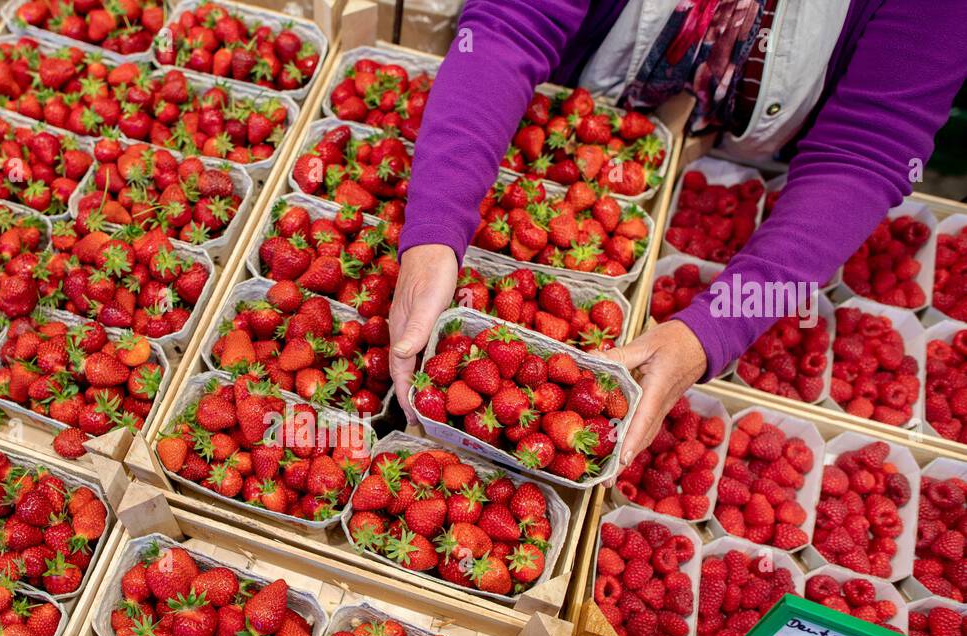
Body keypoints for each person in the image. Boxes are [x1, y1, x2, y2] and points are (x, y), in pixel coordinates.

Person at [388, 0, 967, 469]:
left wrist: (717, 327)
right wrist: (435, 227)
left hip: (755, 162)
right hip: (575, 118)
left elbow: (866, 153)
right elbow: (510, 22)